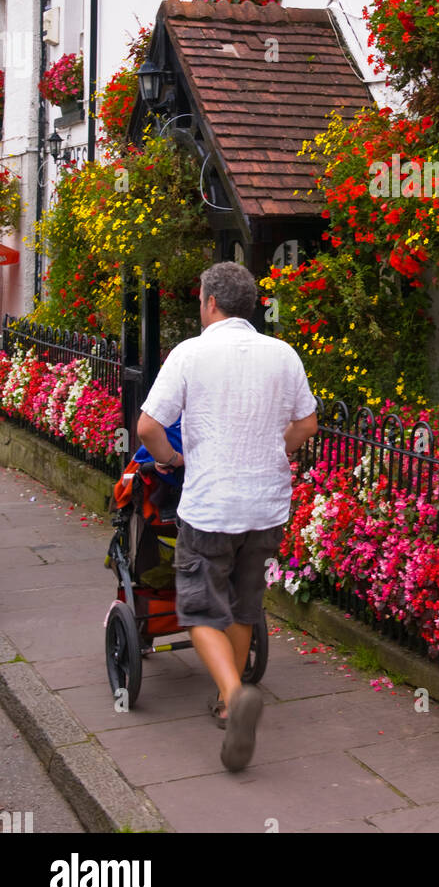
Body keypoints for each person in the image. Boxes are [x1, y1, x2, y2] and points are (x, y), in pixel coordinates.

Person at [136, 261, 318, 771]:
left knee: (197, 607)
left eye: (199, 300)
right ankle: (224, 702)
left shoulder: (190, 354)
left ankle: (235, 693)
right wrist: (272, 450)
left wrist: (173, 459)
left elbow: (149, 427)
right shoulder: (282, 354)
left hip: (211, 505)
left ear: (210, 303)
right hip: (266, 506)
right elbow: (307, 422)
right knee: (244, 605)